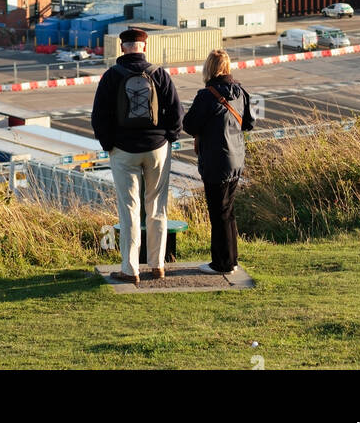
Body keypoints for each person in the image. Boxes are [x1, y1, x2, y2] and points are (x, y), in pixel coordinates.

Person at [91, 27, 183, 285]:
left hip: (123, 151)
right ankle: (158, 265)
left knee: (129, 209)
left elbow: (98, 117)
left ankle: (130, 269)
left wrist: (109, 145)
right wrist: (168, 139)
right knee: (157, 207)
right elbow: (177, 112)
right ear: (145, 46)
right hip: (157, 149)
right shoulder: (159, 74)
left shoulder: (111, 76)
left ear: (122, 47)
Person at [182, 49, 254, 276]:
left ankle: (221, 263)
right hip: (236, 157)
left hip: (216, 159)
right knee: (228, 211)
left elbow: (189, 124)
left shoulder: (207, 95)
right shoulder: (241, 92)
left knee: (218, 212)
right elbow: (249, 123)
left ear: (209, 68)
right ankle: (231, 260)